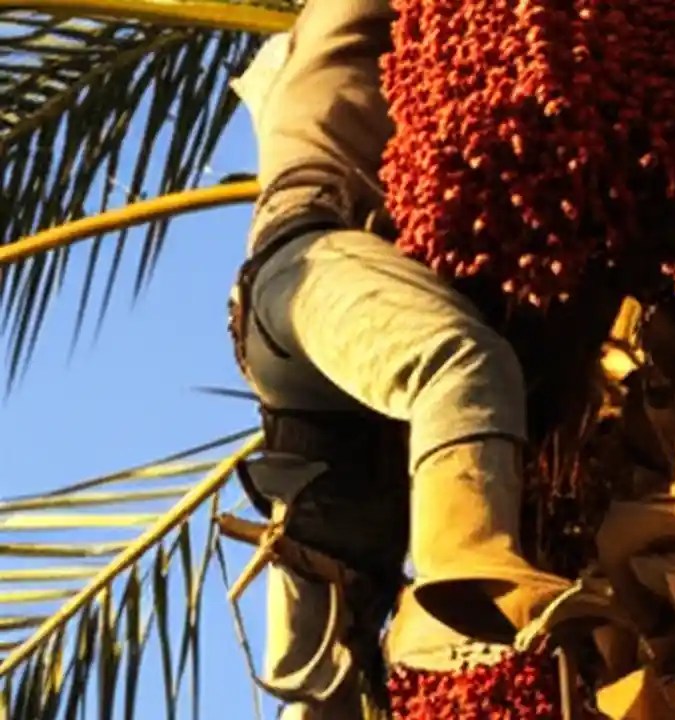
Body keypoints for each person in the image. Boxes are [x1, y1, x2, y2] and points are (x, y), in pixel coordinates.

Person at [227, 1, 576, 717]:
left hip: (330, 399)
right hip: (312, 261)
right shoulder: (344, 27)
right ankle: (469, 577)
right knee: (458, 365)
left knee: (335, 592)